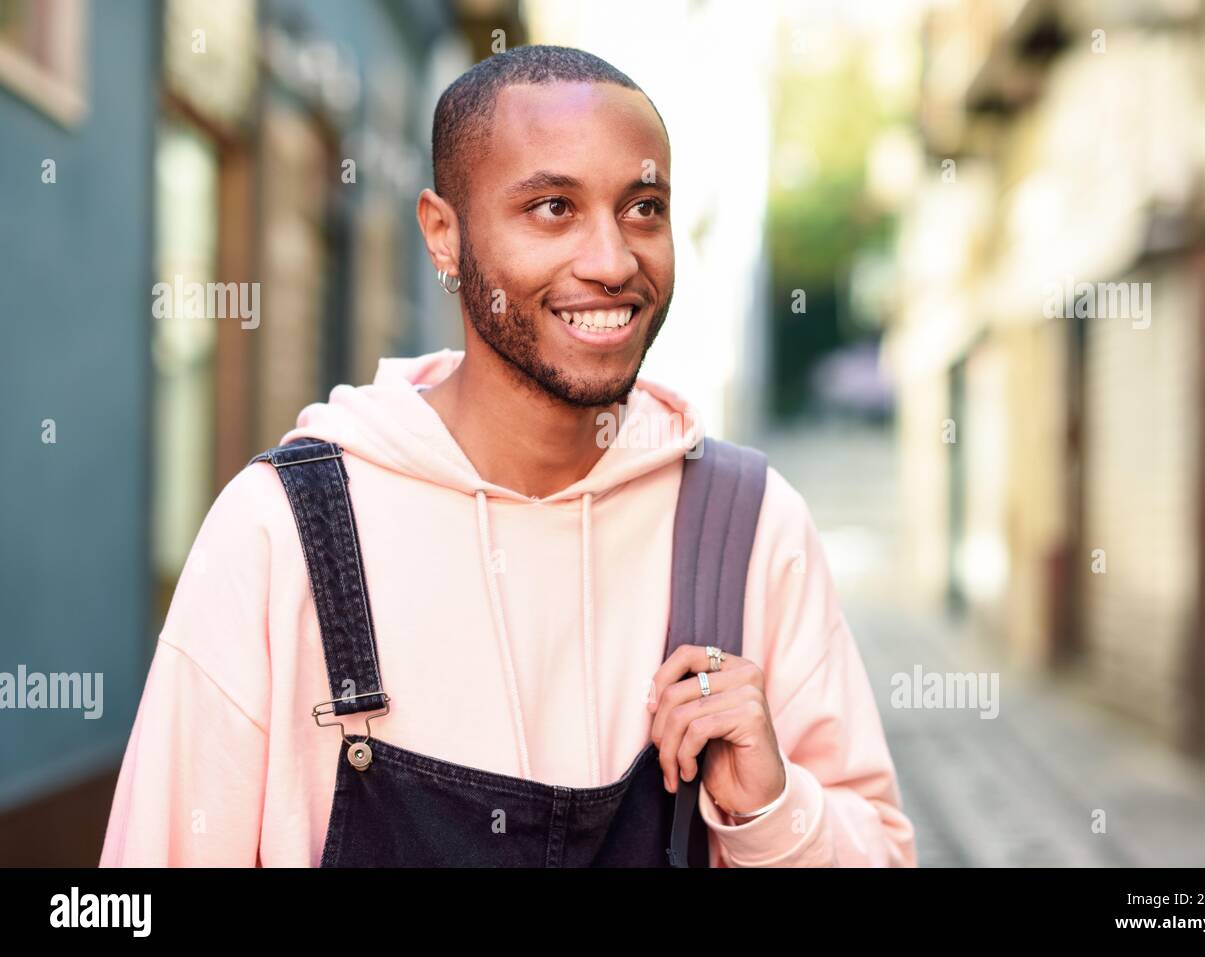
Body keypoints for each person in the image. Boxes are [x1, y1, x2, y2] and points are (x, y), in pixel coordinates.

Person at [99, 44, 916, 868]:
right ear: (443, 235)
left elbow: (883, 849)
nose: (612, 262)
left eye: (643, 208)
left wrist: (771, 810)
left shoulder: (748, 526)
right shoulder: (283, 534)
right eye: (554, 207)